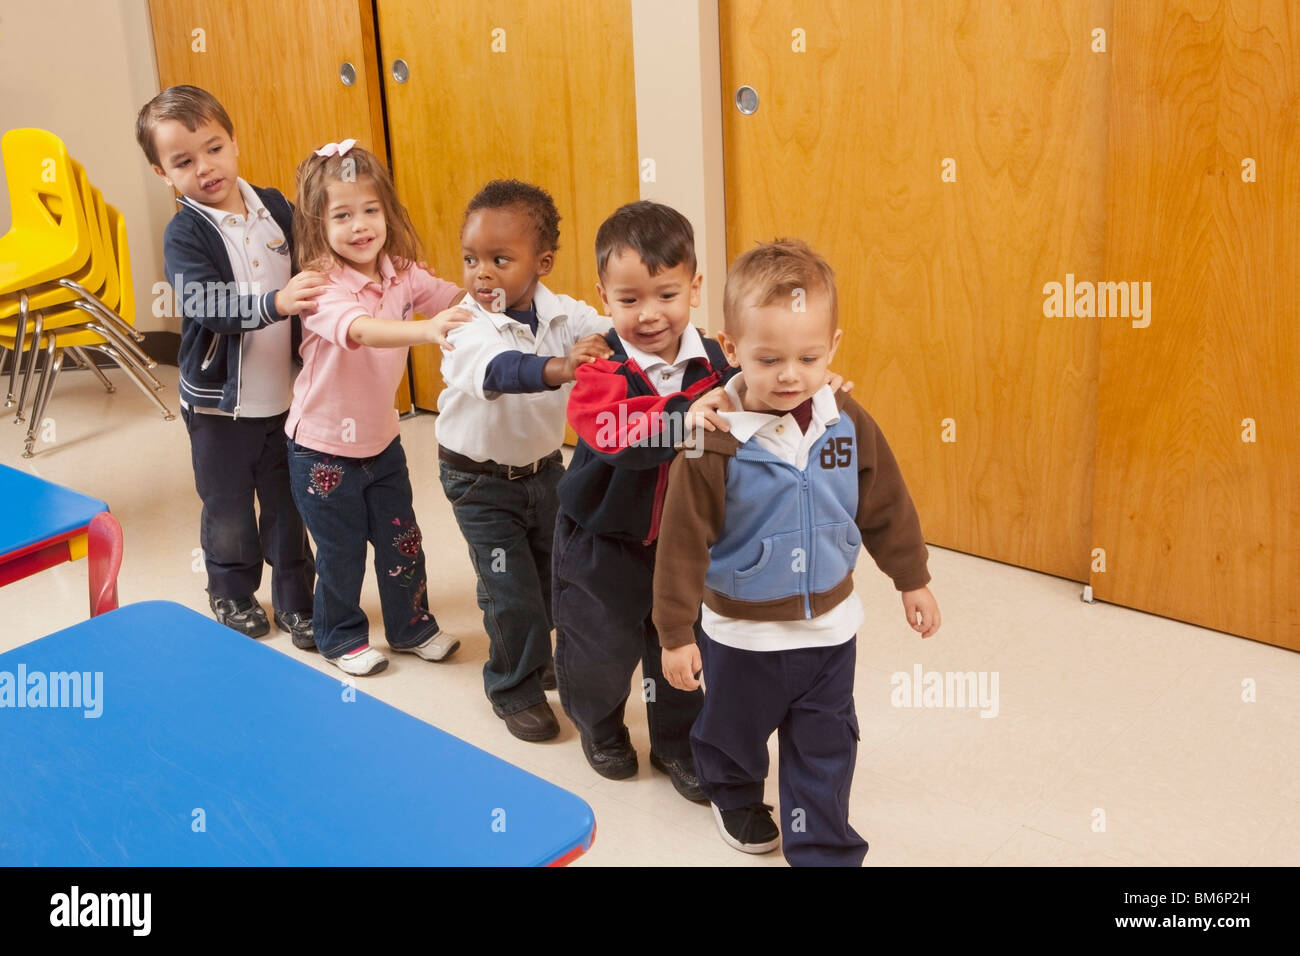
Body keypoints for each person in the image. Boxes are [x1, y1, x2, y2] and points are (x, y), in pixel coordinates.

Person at [652, 239, 942, 865]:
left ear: (833, 346)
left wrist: (911, 578)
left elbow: (885, 502)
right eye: (769, 359)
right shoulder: (710, 441)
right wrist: (674, 634)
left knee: (826, 744)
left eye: (809, 358)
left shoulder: (846, 422)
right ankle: (734, 795)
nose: (790, 375)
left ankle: (823, 849)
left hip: (830, 629)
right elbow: (681, 545)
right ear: (731, 348)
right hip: (743, 635)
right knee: (733, 734)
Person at [554, 201, 733, 801]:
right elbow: (613, 434)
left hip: (684, 546)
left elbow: (761, 399)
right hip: (602, 540)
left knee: (679, 646)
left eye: (667, 295)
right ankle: (599, 726)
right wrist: (683, 416)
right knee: (599, 648)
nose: (649, 314)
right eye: (629, 299)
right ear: (603, 296)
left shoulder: (718, 362)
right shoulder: (601, 366)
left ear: (695, 288)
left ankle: (678, 745)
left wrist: (819, 388)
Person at [136, 84, 320, 646]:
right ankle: (232, 592)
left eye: (214, 148)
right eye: (183, 162)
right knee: (229, 509)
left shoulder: (275, 208)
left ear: (234, 141)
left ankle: (297, 598)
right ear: (163, 174)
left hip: (287, 399)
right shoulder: (185, 233)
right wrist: (276, 302)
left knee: (288, 505)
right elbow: (205, 303)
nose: (205, 168)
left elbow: (317, 259)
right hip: (219, 408)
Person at [285, 139, 470, 676]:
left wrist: (499, 294)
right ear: (319, 224)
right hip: (321, 449)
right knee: (341, 552)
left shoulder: (403, 273)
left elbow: (453, 298)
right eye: (342, 215)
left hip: (381, 441)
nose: (361, 225)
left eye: (371, 210)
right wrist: (427, 331)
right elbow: (363, 331)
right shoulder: (320, 287)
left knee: (401, 539)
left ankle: (411, 627)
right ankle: (338, 636)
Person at [436, 179, 612, 740]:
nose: (481, 274)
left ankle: (535, 657)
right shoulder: (464, 323)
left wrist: (658, 335)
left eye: (500, 260)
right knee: (509, 591)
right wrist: (562, 368)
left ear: (543, 263)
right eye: (471, 259)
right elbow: (501, 370)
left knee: (553, 576)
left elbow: (614, 335)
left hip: (544, 471)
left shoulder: (563, 314)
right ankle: (513, 686)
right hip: (477, 480)